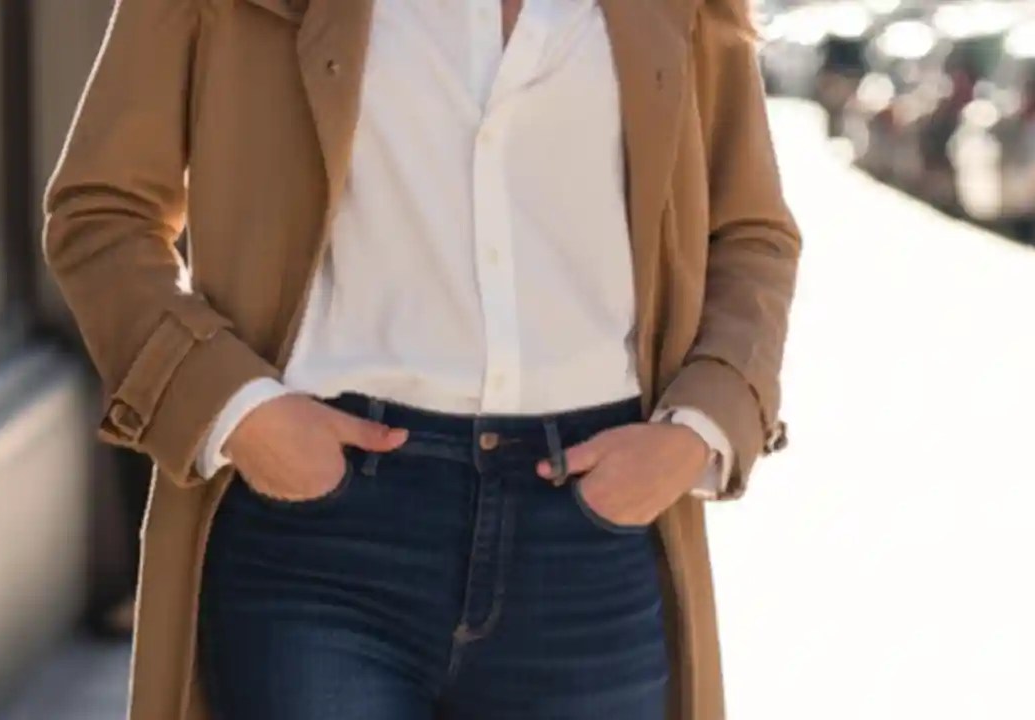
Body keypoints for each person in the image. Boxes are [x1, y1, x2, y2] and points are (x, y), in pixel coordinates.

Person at [43, 0, 799, 718]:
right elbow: (102, 213)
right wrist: (240, 413)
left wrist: (697, 430)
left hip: (590, 544)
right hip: (321, 536)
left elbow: (751, 233)